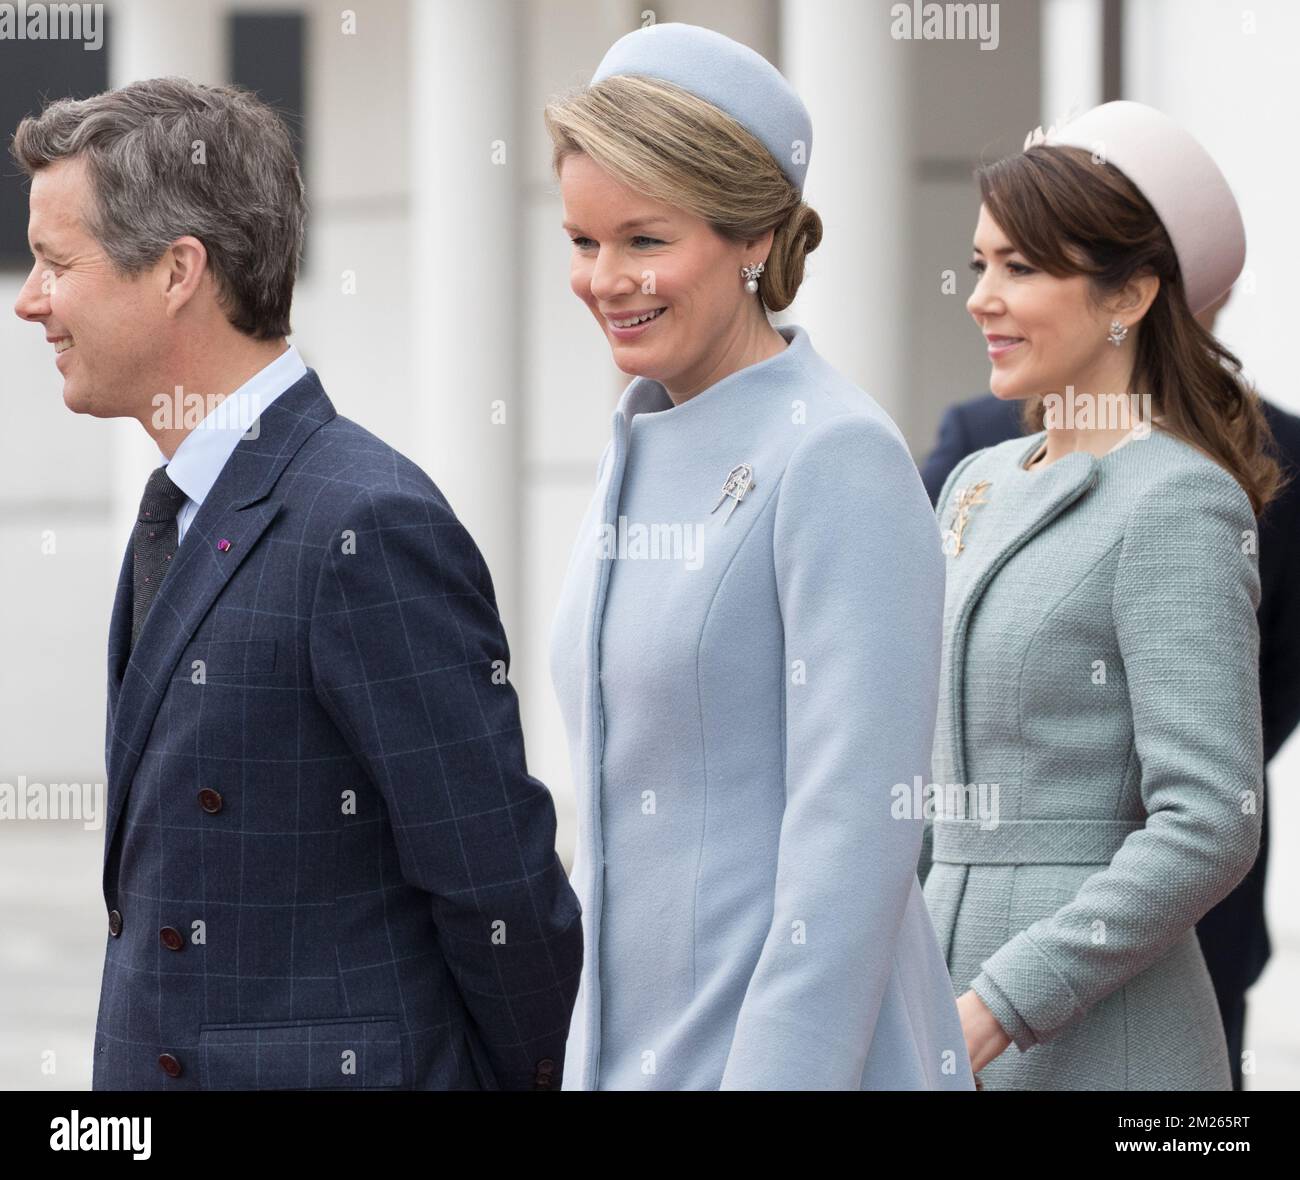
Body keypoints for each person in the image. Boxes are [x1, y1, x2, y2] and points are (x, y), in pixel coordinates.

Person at [11, 78, 581, 1090]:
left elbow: (498, 887)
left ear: (178, 269)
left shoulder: (365, 521)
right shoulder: (184, 506)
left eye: (56, 264)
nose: (30, 300)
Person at [545, 22, 974, 1091]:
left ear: (751, 240)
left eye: (644, 240)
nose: (605, 279)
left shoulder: (835, 456)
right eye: (583, 241)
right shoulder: (633, 441)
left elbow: (852, 847)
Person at [924, 100, 1283, 1089]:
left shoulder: (1178, 500)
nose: (979, 296)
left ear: (1128, 295)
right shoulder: (978, 482)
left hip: (1099, 1036)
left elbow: (1211, 821)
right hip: (933, 1002)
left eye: (1021, 268)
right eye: (980, 262)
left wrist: (1001, 1003)